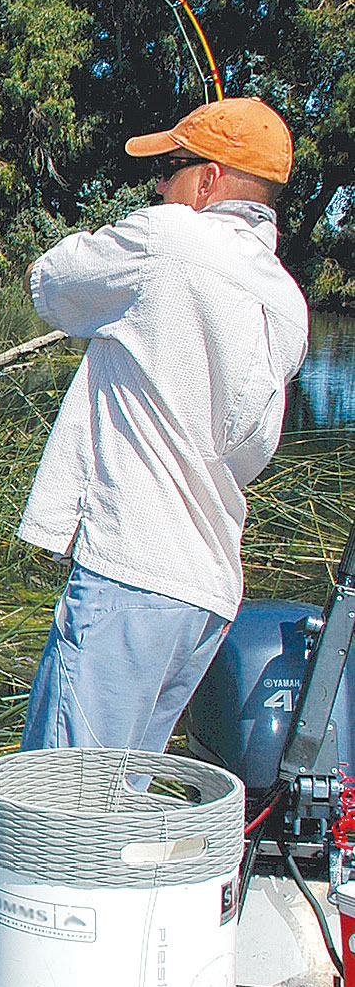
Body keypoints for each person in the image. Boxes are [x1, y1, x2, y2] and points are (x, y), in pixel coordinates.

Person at [17, 96, 309, 753]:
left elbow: (50, 284)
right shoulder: (288, 301)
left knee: (62, 797)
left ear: (208, 179)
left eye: (170, 168)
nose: (158, 185)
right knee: (123, 789)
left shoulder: (166, 239)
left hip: (131, 570)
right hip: (207, 593)